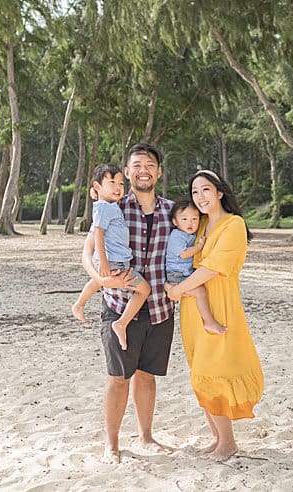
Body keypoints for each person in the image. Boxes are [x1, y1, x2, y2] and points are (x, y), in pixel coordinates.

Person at [79, 143, 177, 463]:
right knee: (118, 378)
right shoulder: (115, 205)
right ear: (127, 171)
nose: (143, 170)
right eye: (136, 165)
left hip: (160, 307)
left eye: (149, 164)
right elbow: (87, 252)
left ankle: (146, 437)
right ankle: (112, 444)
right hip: (119, 304)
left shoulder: (172, 212)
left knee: (147, 376)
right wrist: (101, 277)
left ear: (159, 172)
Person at [167, 169, 264, 462]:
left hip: (219, 304)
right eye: (195, 192)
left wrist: (177, 290)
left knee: (215, 371)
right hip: (193, 308)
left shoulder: (233, 225)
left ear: (220, 192)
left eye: (205, 190)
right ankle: (218, 439)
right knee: (200, 371)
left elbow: (212, 267)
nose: (200, 197)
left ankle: (228, 444)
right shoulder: (201, 224)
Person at [72, 164, 152, 350]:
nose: (118, 187)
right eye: (112, 182)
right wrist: (104, 262)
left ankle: (79, 304)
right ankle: (121, 323)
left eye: (121, 183)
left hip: (116, 260)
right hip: (115, 262)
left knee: (98, 282)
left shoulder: (109, 206)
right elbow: (98, 234)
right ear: (98, 186)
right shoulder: (104, 208)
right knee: (144, 290)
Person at [164, 201, 226, 335]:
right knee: (200, 292)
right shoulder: (177, 236)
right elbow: (184, 253)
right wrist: (199, 246)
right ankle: (209, 321)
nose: (190, 223)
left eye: (194, 219)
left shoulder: (189, 234)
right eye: (184, 219)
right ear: (175, 222)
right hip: (178, 275)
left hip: (184, 273)